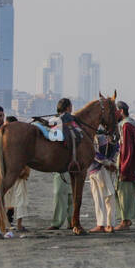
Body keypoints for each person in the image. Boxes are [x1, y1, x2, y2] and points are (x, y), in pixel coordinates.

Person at [46, 98, 75, 229]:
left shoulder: (56, 120)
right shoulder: (65, 120)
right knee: (65, 194)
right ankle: (63, 221)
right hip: (67, 162)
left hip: (64, 163)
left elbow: (53, 138)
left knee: (66, 194)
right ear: (68, 108)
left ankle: (66, 221)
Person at [115, 102, 135, 228]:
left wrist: (123, 169)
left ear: (121, 111)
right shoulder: (129, 125)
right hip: (129, 162)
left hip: (126, 162)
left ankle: (125, 220)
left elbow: (127, 148)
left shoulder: (126, 126)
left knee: (123, 192)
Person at [87, 127, 120, 232]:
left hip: (97, 170)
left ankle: (103, 224)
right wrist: (111, 163)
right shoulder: (112, 137)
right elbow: (117, 150)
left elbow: (94, 153)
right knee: (108, 196)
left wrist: (108, 163)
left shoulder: (94, 137)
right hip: (105, 170)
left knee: (100, 198)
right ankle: (109, 224)